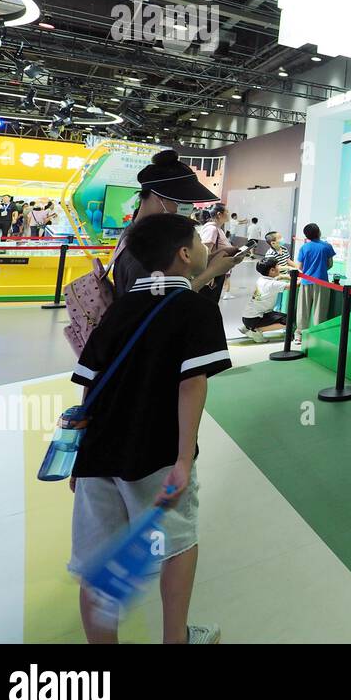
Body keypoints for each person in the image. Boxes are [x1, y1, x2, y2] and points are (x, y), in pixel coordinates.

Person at [68, 212, 230, 645]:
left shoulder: (119, 308)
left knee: (96, 561)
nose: (203, 247)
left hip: (97, 454)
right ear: (183, 254)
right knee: (177, 544)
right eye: (197, 241)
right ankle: (176, 639)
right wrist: (182, 458)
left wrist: (78, 455)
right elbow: (191, 383)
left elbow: (91, 384)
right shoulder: (195, 309)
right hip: (156, 453)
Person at [112, 151, 246, 298]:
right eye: (183, 202)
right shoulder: (141, 248)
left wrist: (210, 260)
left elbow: (168, 277)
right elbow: (156, 306)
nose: (188, 208)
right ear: (157, 197)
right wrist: (210, 273)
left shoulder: (144, 235)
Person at [238, 257, 291, 343]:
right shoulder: (272, 284)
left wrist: (283, 276)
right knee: (288, 320)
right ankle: (255, 330)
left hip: (248, 316)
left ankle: (247, 327)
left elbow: (275, 280)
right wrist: (303, 279)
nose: (279, 268)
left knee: (278, 315)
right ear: (272, 270)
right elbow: (293, 285)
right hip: (255, 319)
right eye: (277, 266)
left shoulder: (261, 279)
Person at [294, 223, 335, 331]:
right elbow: (330, 264)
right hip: (322, 282)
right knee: (320, 310)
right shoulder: (327, 246)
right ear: (319, 232)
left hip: (306, 281)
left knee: (303, 310)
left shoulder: (304, 247)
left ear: (306, 236)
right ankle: (318, 334)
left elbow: (300, 267)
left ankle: (300, 334)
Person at [198, 205, 235, 301]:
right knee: (209, 301)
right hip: (213, 272)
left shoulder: (218, 229)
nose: (229, 214)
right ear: (219, 214)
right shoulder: (212, 229)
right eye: (227, 211)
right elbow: (205, 252)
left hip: (218, 270)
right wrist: (209, 273)